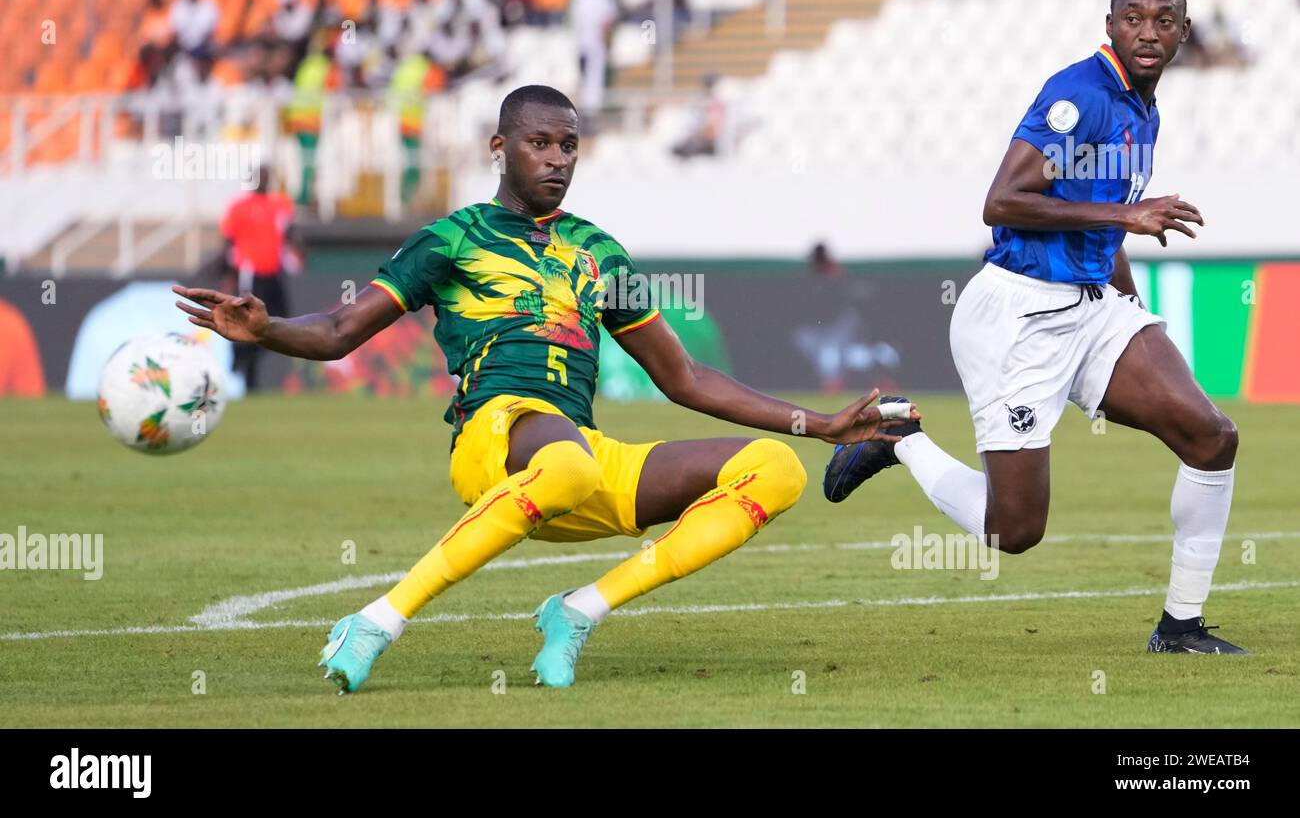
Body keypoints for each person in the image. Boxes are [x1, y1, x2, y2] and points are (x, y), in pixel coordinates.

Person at [174, 85, 914, 691]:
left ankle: (580, 609)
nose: (557, 160)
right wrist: (267, 329)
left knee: (773, 470)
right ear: (499, 148)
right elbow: (339, 332)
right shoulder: (452, 239)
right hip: (495, 440)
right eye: (540, 143)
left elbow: (683, 377)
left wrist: (815, 425)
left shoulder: (597, 251)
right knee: (566, 462)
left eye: (569, 148)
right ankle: (376, 620)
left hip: (578, 456)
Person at [823, 0, 1247, 655]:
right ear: (1109, 25)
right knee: (1013, 531)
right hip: (1016, 318)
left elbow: (1107, 228)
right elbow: (1002, 202)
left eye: (1162, 19)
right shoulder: (1079, 96)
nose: (1147, 30)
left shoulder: (1145, 109)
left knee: (1212, 436)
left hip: (1091, 308)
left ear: (1183, 32)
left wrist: (1131, 312)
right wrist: (1127, 213)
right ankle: (896, 439)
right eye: (1132, 17)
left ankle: (1180, 627)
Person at [216, 167, 299, 392]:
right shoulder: (240, 207)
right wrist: (228, 274)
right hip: (250, 272)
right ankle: (242, 362)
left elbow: (289, 233)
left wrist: (297, 251)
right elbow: (228, 243)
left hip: (273, 272)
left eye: (266, 176)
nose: (263, 181)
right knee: (247, 319)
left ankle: (248, 356)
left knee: (282, 317)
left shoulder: (280, 205)